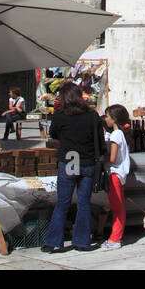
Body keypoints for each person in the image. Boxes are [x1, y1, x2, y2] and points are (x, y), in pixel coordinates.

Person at [42, 83, 105, 253]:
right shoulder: (92, 115)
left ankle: (54, 241)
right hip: (87, 162)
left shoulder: (60, 115)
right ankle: (82, 241)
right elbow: (100, 140)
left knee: (63, 203)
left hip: (69, 161)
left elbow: (54, 134)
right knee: (84, 203)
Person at [102, 104, 132, 249]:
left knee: (117, 207)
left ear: (113, 119)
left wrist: (102, 158)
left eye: (107, 116)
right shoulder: (119, 133)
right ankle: (115, 237)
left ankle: (115, 238)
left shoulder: (115, 135)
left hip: (115, 173)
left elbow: (113, 158)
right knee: (117, 206)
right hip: (119, 174)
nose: (106, 119)